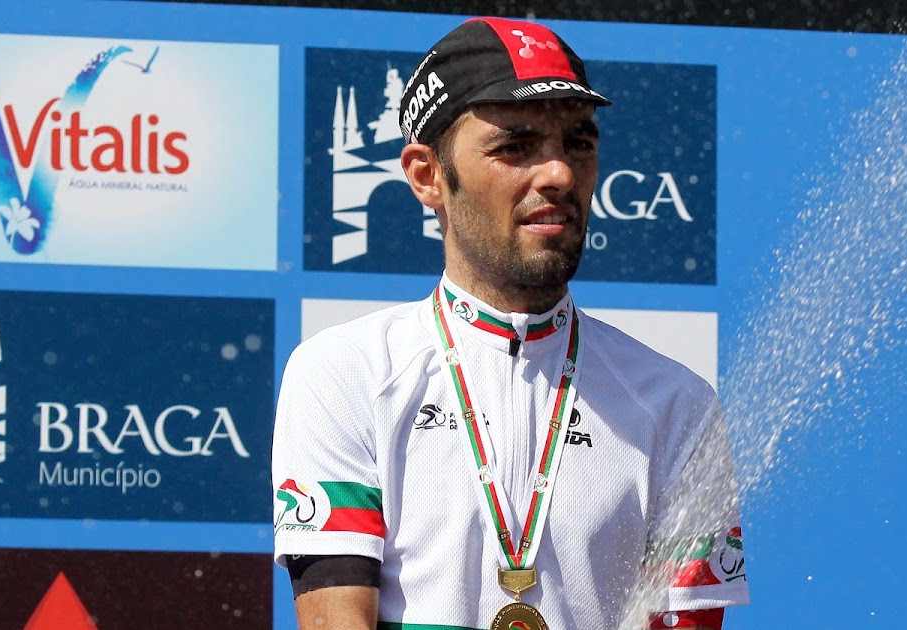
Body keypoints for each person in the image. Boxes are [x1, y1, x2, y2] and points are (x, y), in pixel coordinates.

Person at [273, 16, 749, 630]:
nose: (559, 174)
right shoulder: (346, 371)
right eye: (515, 147)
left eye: (578, 143)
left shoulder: (678, 403)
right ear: (427, 175)